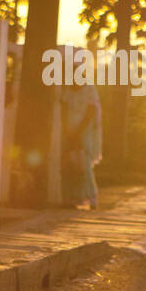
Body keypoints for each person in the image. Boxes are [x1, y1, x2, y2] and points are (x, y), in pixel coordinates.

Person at [60, 62, 102, 209]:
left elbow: (91, 113)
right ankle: (72, 198)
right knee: (69, 164)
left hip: (85, 132)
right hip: (69, 130)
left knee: (84, 165)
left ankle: (91, 196)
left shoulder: (90, 89)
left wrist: (78, 132)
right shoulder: (68, 90)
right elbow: (64, 110)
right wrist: (67, 131)